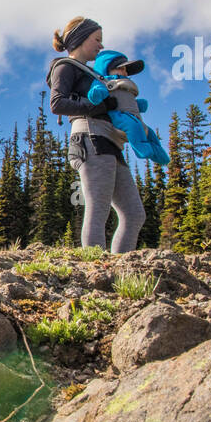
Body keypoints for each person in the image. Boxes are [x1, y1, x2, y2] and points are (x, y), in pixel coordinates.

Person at [47, 17, 146, 253]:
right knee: (98, 207)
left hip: (109, 140)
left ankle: (121, 270)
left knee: (134, 213)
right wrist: (97, 107)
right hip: (89, 139)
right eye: (97, 39)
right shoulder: (64, 66)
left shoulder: (90, 73)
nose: (100, 45)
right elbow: (56, 103)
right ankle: (96, 270)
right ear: (80, 39)